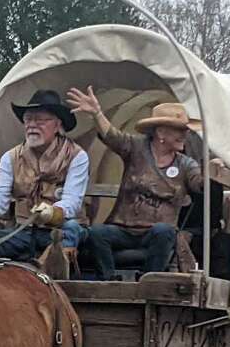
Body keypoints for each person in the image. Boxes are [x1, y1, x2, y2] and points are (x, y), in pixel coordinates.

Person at [66, 88, 204, 280]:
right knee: (97, 233)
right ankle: (107, 280)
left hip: (155, 233)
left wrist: (211, 172)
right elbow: (113, 136)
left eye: (185, 131)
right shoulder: (136, 148)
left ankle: (148, 280)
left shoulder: (186, 164)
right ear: (161, 132)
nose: (184, 135)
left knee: (164, 231)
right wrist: (97, 114)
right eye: (179, 130)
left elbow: (199, 184)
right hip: (123, 230)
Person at [0, 89, 89, 261]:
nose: (32, 125)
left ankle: (48, 277)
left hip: (61, 230)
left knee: (70, 230)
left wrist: (51, 213)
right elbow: (0, 202)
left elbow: (73, 201)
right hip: (24, 231)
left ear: (57, 125)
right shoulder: (10, 158)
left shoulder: (77, 156)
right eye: (28, 119)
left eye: (40, 120)